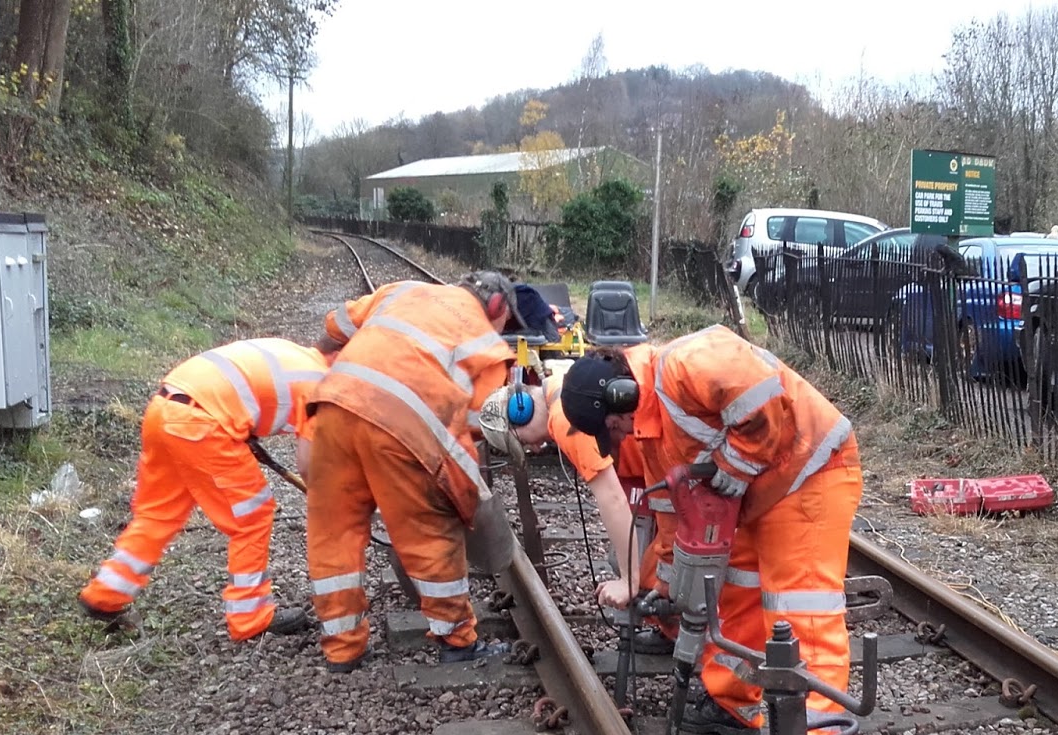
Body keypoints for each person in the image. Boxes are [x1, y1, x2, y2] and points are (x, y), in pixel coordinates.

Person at [558, 326, 862, 735]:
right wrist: (665, 588)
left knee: (801, 619)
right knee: (734, 595)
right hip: (752, 497)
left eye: (612, 428)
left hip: (809, 473)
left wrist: (733, 466)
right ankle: (733, 705)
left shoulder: (690, 362)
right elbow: (674, 519)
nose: (617, 441)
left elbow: (763, 404)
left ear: (621, 397)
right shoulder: (650, 432)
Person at [304, 272, 521, 672]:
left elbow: (336, 325)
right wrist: (465, 495)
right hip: (402, 429)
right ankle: (457, 642)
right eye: (507, 322)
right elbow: (479, 425)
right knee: (431, 532)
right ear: (497, 308)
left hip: (333, 406)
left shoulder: (399, 290)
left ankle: (342, 650)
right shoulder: (489, 345)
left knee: (333, 530)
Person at [79, 337, 334, 641]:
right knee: (252, 515)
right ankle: (250, 617)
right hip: (201, 425)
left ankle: (105, 595)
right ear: (339, 357)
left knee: (159, 513)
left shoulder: (292, 353)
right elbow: (311, 462)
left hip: (163, 408)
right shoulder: (323, 383)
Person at [481, 357, 676, 653]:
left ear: (520, 412)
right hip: (649, 468)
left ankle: (686, 637)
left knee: (658, 566)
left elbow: (610, 497)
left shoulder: (563, 420)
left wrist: (629, 580)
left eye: (521, 441)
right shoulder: (560, 386)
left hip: (663, 462)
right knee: (651, 558)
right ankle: (672, 631)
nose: (534, 448)